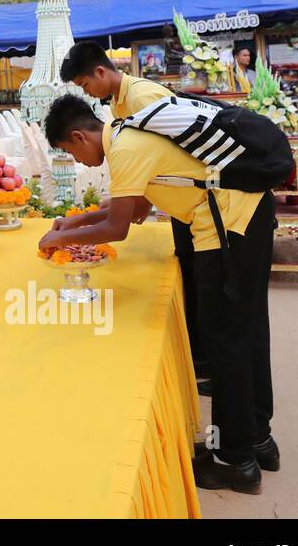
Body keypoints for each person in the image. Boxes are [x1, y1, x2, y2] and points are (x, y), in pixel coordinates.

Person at [40, 94, 278, 494]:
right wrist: (75, 223)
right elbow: (133, 209)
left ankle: (235, 461)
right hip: (243, 218)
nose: (78, 162)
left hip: (227, 229)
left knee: (226, 341)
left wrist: (58, 236)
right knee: (245, 332)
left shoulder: (127, 149)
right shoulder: (128, 134)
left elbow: (119, 228)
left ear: (79, 136)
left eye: (70, 151)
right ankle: (256, 440)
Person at [59, 42, 208, 389]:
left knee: (212, 299)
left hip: (208, 201)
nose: (88, 93)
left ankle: (210, 369)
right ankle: (202, 362)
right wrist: (83, 220)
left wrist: (66, 235)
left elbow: (180, 156)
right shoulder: (119, 106)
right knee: (198, 292)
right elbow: (139, 196)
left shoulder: (140, 99)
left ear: (100, 71)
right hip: (188, 207)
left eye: (85, 85)